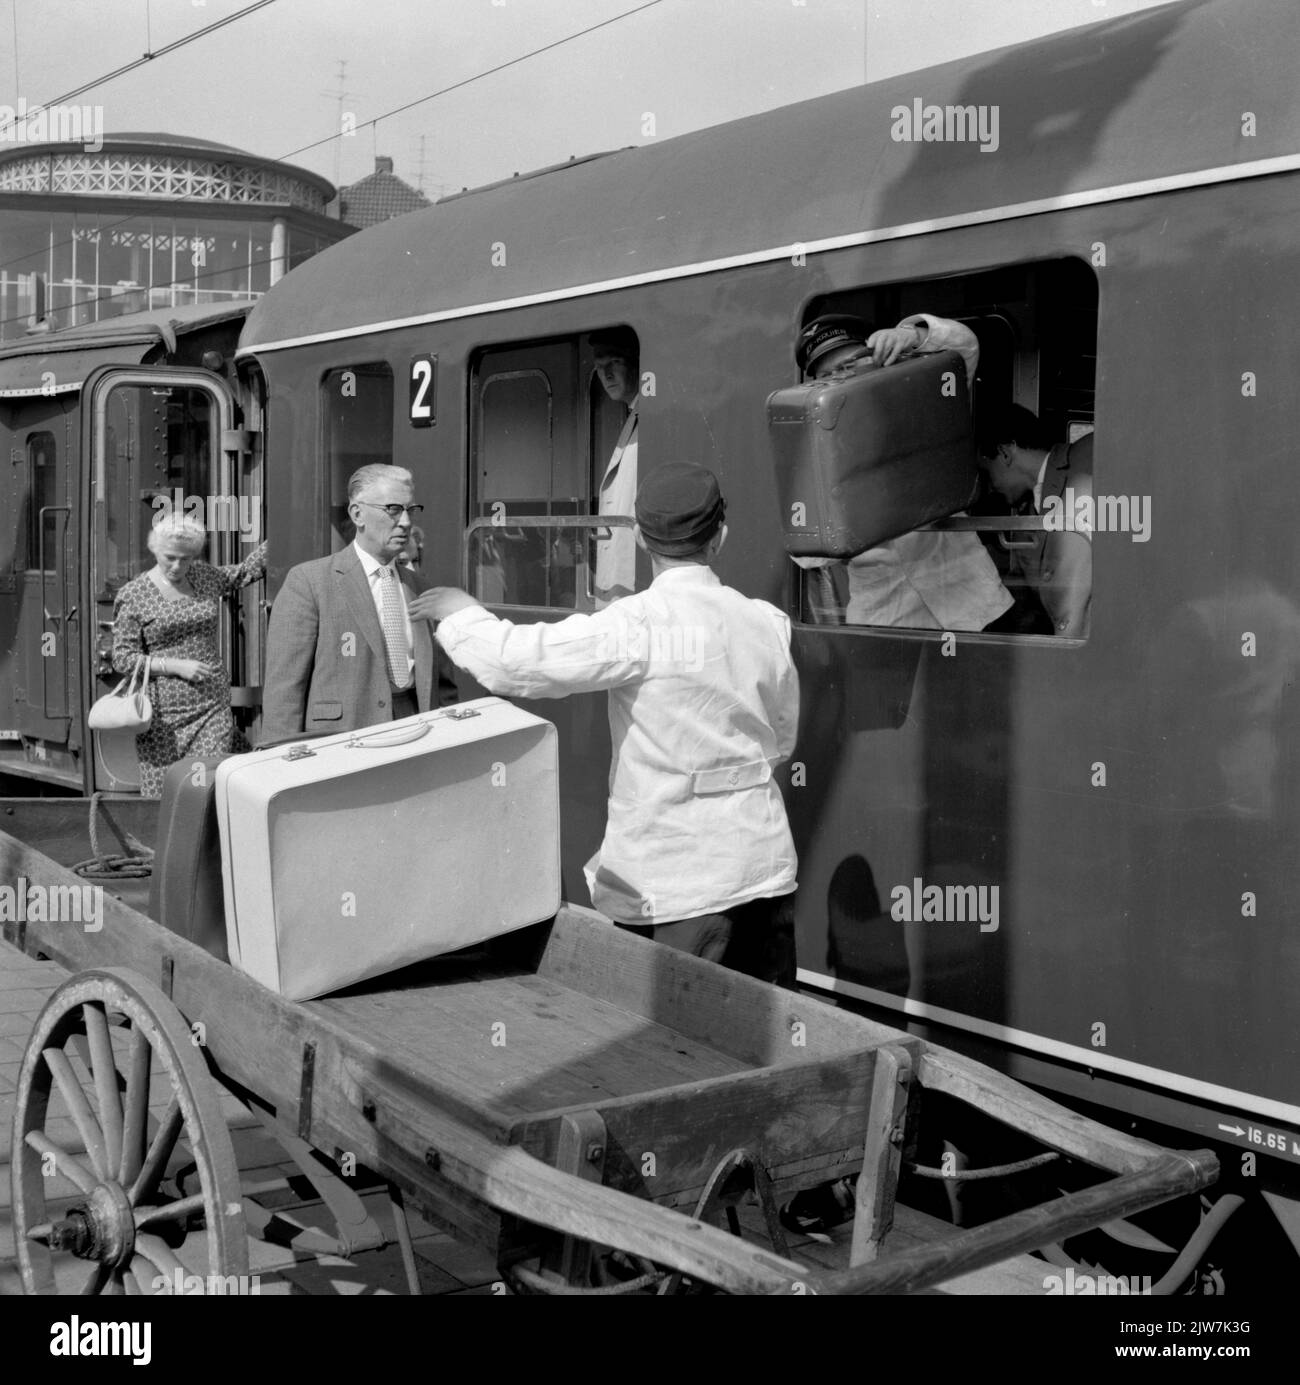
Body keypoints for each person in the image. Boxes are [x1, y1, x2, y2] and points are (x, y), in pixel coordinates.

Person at [411, 462, 799, 985]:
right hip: (764, 866)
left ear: (639, 538)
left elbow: (516, 662)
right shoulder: (767, 622)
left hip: (680, 882)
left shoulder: (636, 623)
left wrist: (460, 613)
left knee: (681, 1047)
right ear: (720, 538)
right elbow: (782, 738)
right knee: (771, 1030)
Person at [793, 313, 1014, 631]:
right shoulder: (815, 450)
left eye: (850, 365)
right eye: (829, 374)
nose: (843, 379)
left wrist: (912, 336)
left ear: (878, 359)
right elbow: (808, 557)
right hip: (884, 615)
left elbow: (966, 346)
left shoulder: (926, 404)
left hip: (971, 602)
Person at [260, 464, 458, 744]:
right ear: (357, 514)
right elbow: (285, 688)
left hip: (417, 732)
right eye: (393, 509)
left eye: (410, 510)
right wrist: (282, 759)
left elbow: (443, 682)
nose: (405, 522)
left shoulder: (420, 587)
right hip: (342, 740)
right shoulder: (309, 582)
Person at [110, 514, 267, 799]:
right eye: (170, 557)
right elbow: (122, 658)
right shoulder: (133, 595)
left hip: (211, 703)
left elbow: (245, 572)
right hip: (162, 718)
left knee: (209, 782)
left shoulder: (204, 577)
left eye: (186, 558)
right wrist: (174, 665)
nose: (177, 566)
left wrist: (286, 530)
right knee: (165, 793)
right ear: (154, 549)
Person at [975, 405, 1093, 637]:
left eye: (988, 473)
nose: (990, 487)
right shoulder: (1024, 527)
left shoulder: (1087, 456)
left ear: (1005, 453)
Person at [591, 327, 640, 605]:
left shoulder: (647, 415)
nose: (606, 375)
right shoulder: (636, 414)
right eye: (599, 368)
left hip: (631, 587)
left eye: (615, 363)